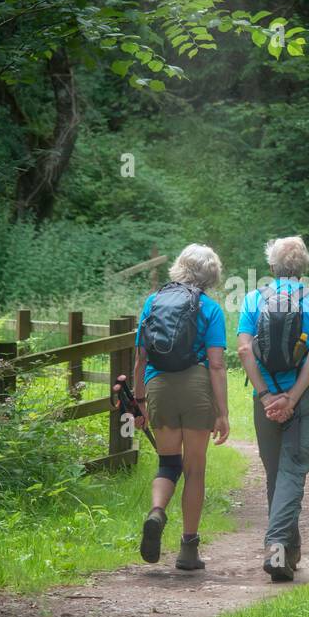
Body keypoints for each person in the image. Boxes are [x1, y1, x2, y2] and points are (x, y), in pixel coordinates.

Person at [237, 236, 309, 582]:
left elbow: (245, 351)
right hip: (304, 397)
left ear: (272, 267)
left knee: (277, 472)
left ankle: (288, 552)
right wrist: (292, 398)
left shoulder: (252, 299)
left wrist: (266, 396)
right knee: (292, 470)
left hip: (264, 397)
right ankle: (278, 548)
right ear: (304, 266)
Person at [132, 244, 229, 570]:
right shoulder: (210, 309)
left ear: (179, 267)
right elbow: (216, 365)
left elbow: (140, 358)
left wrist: (140, 401)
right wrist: (222, 412)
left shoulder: (153, 302)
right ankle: (188, 549)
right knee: (194, 470)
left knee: (168, 463)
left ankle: (157, 512)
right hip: (197, 388)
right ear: (211, 275)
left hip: (158, 386)